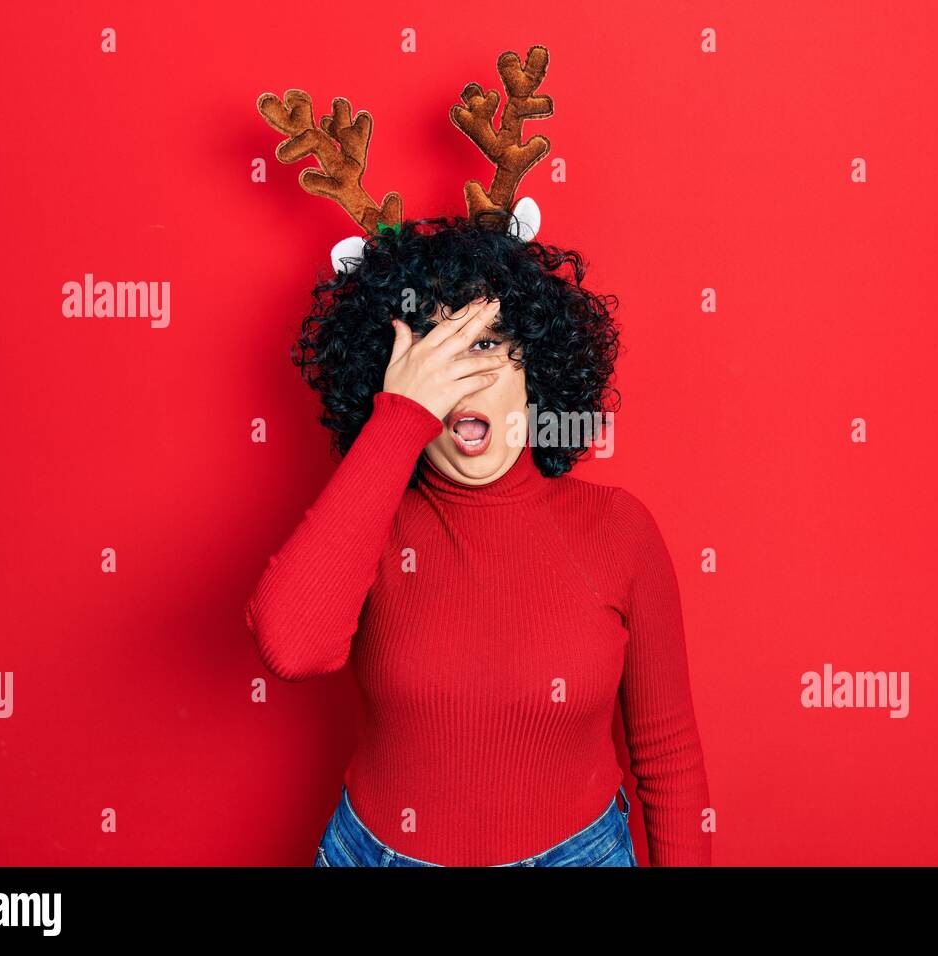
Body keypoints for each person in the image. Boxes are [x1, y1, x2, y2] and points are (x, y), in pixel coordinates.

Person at [244, 216, 711, 866]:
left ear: (536, 369)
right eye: (434, 352)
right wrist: (399, 420)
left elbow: (668, 756)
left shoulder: (619, 529)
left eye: (487, 345)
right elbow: (290, 648)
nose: (462, 378)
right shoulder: (369, 527)